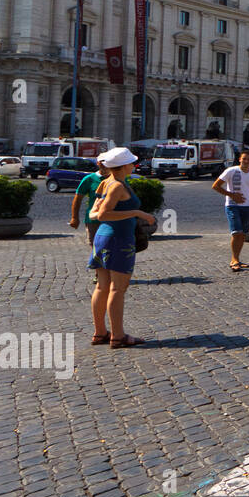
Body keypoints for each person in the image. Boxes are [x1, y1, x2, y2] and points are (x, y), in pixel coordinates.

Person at [87, 148, 156, 348]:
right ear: (124, 166)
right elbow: (103, 214)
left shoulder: (106, 182)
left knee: (101, 287)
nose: (134, 165)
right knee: (117, 289)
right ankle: (118, 336)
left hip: (103, 237)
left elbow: (93, 213)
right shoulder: (117, 185)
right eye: (131, 163)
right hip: (119, 239)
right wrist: (137, 213)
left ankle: (100, 333)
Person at [212, 150, 249, 272]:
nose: (246, 161)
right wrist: (232, 195)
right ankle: (234, 260)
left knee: (243, 234)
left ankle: (237, 259)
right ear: (239, 159)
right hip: (232, 206)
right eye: (244, 159)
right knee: (236, 232)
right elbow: (215, 186)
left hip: (247, 206)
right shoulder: (231, 171)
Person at [69, 161, 111, 248]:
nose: (105, 165)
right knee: (96, 248)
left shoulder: (118, 178)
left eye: (107, 162)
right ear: (98, 163)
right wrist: (74, 218)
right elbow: (78, 199)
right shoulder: (89, 179)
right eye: (102, 162)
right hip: (94, 221)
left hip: (113, 220)